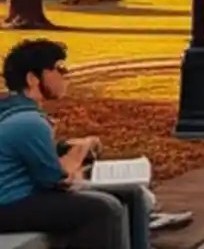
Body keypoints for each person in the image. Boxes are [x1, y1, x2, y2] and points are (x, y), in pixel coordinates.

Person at [0, 40, 145, 248]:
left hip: (21, 197)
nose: (66, 75)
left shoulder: (18, 113)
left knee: (132, 194)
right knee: (102, 209)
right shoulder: (28, 121)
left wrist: (66, 149)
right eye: (59, 69)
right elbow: (57, 181)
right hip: (8, 204)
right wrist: (80, 149)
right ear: (32, 79)